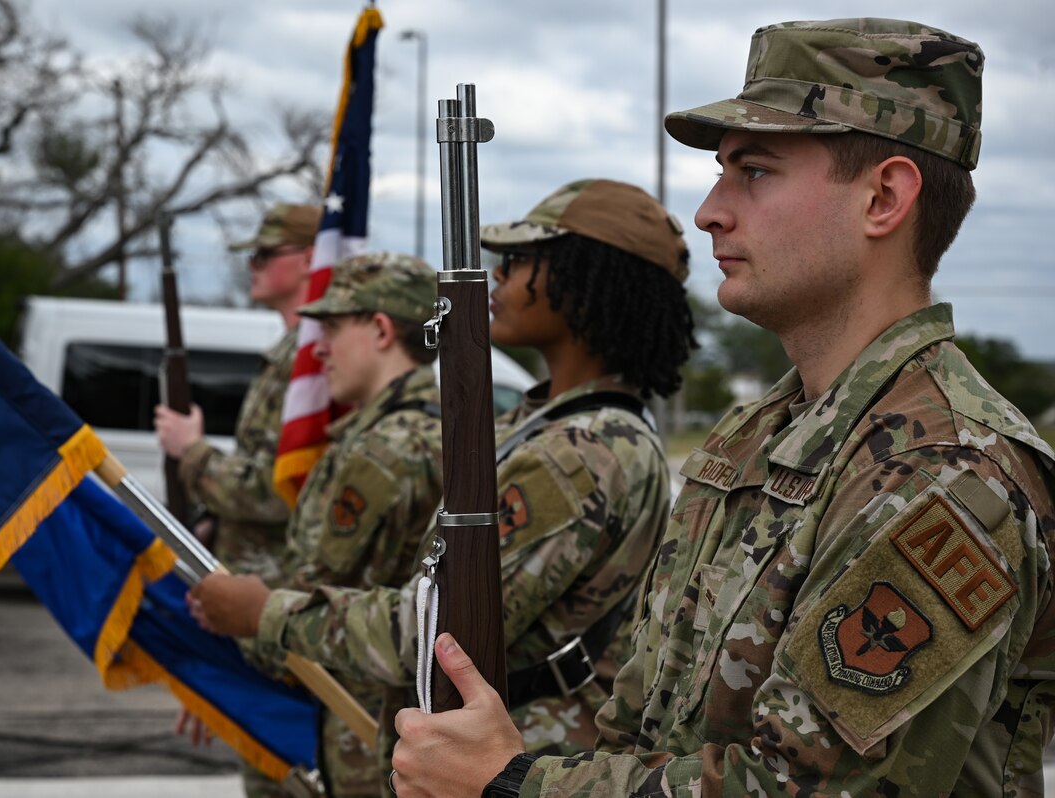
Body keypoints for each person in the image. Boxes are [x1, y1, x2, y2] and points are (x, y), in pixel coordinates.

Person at [387, 18, 1055, 798]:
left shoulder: (942, 469)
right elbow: (635, 724)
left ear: (885, 196)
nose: (709, 211)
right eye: (720, 172)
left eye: (756, 171)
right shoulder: (753, 437)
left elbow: (794, 788)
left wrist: (511, 783)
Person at [190, 179, 697, 795]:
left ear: (584, 283)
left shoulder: (581, 452)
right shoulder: (545, 425)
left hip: (516, 756)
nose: (498, 279)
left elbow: (432, 631)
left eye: (519, 263)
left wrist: (262, 612)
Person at [192, 252, 446, 797]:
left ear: (380, 330)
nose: (319, 347)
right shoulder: (426, 426)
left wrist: (228, 632)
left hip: (361, 729)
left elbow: (312, 602)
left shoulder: (384, 449)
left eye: (333, 326)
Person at [155, 202, 321, 584]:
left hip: (274, 590)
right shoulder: (290, 351)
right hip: (253, 582)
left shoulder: (313, 359)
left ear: (310, 259)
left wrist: (192, 452)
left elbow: (283, 487)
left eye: (264, 254)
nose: (252, 265)